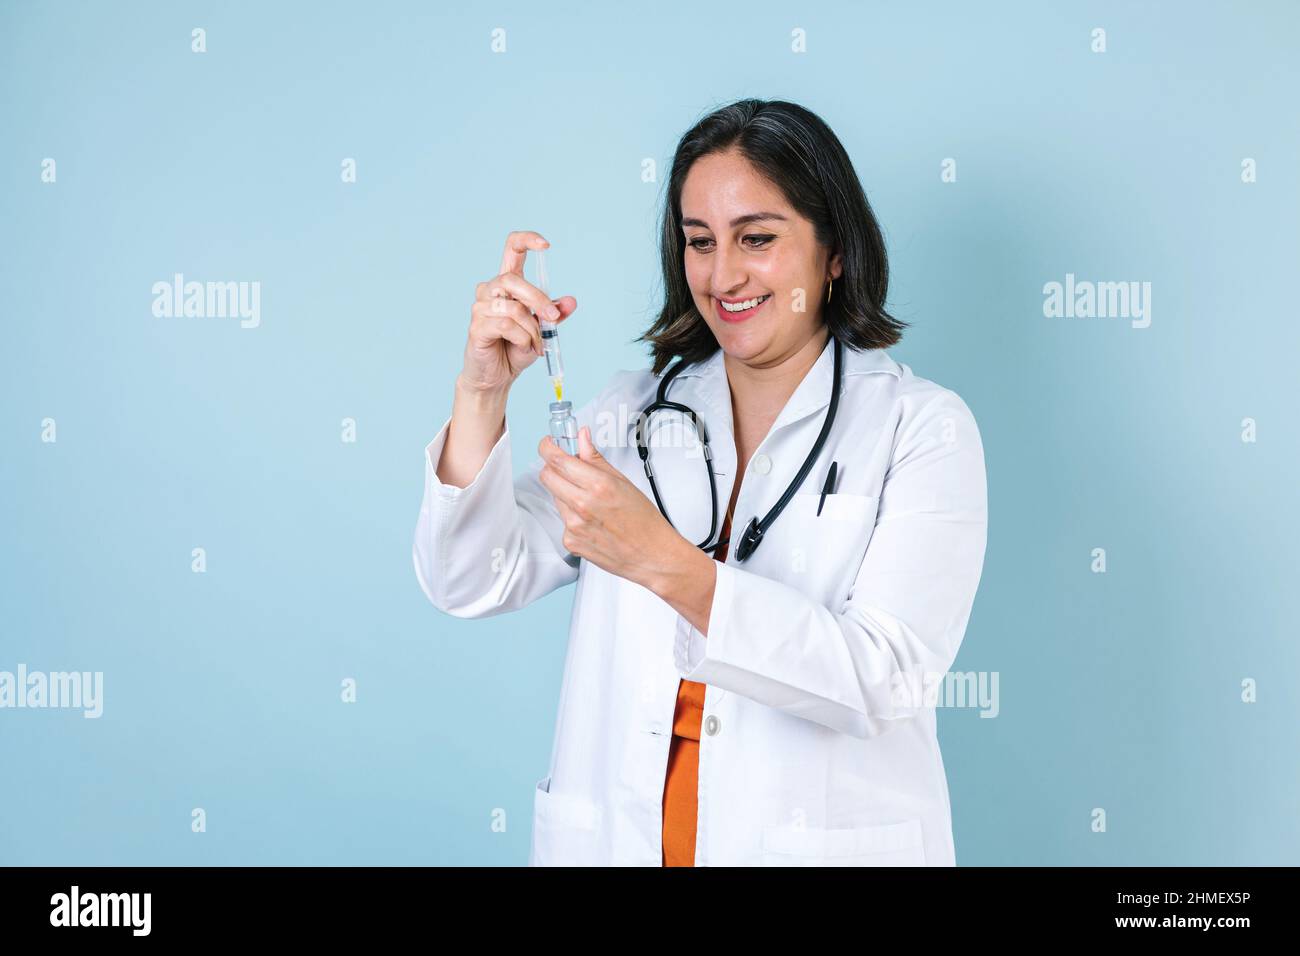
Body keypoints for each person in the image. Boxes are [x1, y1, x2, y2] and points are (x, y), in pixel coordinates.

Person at [413, 98, 988, 866]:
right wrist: (482, 391)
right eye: (699, 242)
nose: (723, 274)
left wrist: (666, 564)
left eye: (757, 238)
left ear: (835, 251)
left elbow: (882, 678)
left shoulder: (922, 429)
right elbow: (470, 577)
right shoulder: (634, 413)